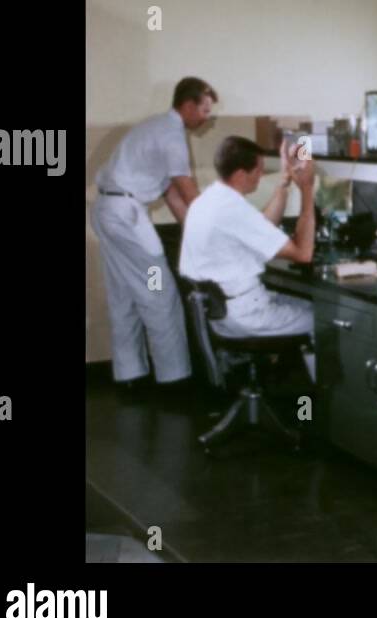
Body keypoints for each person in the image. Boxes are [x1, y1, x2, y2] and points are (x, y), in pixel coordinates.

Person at [91, 77, 217, 388]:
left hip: (109, 212)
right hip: (126, 218)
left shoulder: (155, 127)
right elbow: (188, 191)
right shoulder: (172, 135)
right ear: (187, 106)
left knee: (123, 294)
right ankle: (174, 379)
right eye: (204, 110)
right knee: (160, 292)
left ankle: (130, 374)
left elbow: (172, 194)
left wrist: (195, 233)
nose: (207, 117)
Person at [179, 136, 315, 339]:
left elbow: (264, 227)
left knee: (309, 306)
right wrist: (307, 188)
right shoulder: (232, 207)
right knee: (324, 320)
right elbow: (303, 254)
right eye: (258, 170)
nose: (261, 175)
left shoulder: (210, 199)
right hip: (246, 314)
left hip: (221, 314)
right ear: (241, 175)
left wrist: (285, 180)